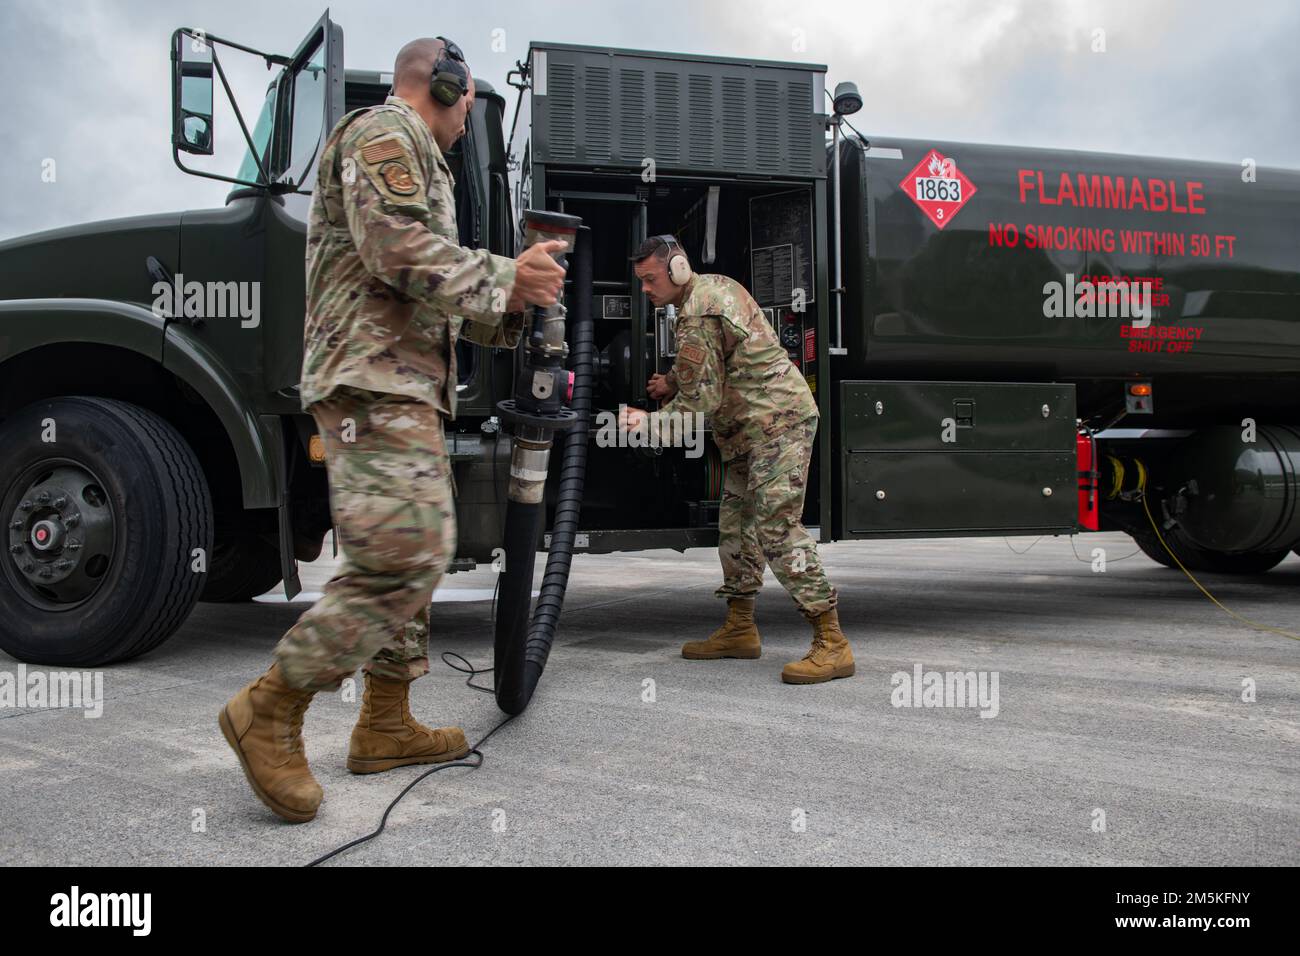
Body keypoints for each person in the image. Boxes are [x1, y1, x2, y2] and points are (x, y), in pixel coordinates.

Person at [219, 37, 567, 823]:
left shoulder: (424, 161)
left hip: (403, 383)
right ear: (443, 85)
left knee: (411, 549)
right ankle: (270, 707)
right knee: (409, 550)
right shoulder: (386, 133)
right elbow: (397, 251)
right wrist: (509, 277)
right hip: (373, 381)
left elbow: (424, 285)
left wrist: (516, 309)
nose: (467, 115)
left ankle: (384, 722)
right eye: (468, 99)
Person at [622, 236, 853, 685]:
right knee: (737, 525)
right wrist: (671, 380)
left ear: (678, 271)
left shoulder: (698, 310)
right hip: (747, 430)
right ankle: (740, 629)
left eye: (650, 280)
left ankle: (833, 641)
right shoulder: (712, 288)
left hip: (776, 422)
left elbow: (701, 400)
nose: (645, 290)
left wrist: (645, 423)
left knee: (775, 525)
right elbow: (717, 359)